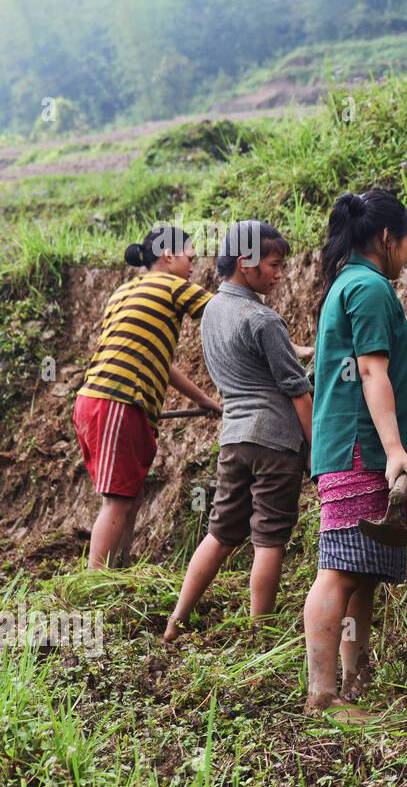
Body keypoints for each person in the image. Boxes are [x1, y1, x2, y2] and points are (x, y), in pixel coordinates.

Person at [165, 221, 314, 642]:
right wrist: (315, 451)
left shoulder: (212, 310)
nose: (280, 273)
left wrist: (293, 348)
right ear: (247, 264)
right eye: (275, 264)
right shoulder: (265, 319)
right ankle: (260, 634)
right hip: (275, 443)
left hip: (234, 440)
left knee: (221, 533)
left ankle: (175, 622)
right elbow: (298, 392)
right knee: (269, 539)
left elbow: (253, 357)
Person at [303, 190, 407, 717]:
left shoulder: (347, 284)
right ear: (387, 239)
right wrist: (394, 450)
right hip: (359, 447)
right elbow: (372, 372)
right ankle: (323, 695)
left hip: (353, 445)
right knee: (339, 571)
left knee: (362, 574)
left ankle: (355, 682)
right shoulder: (369, 288)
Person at [74, 225, 220, 569]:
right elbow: (229, 315)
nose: (193, 265)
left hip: (103, 402)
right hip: (118, 401)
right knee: (117, 502)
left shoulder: (125, 291)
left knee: (130, 497)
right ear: (169, 256)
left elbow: (160, 364)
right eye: (189, 257)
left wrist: (204, 401)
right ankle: (95, 582)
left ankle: (120, 571)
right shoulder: (172, 285)